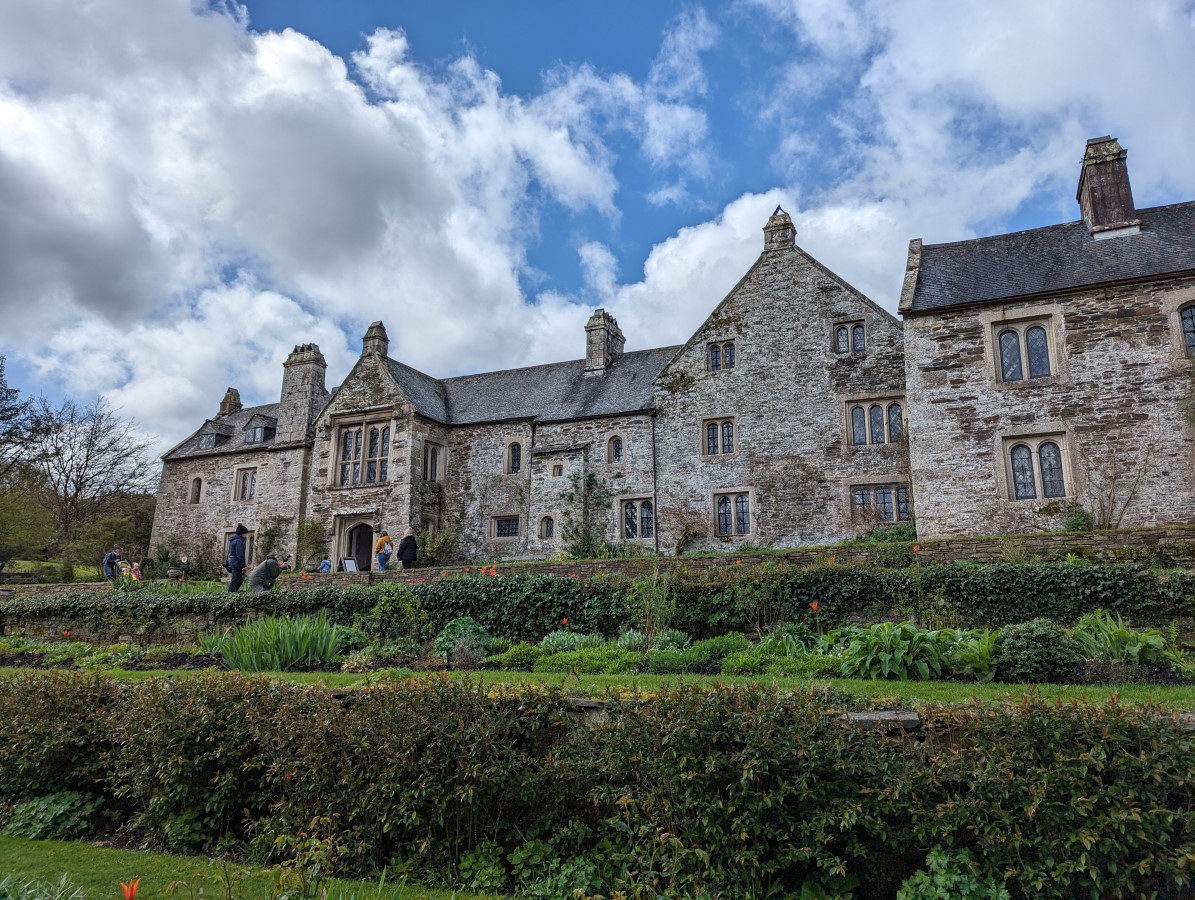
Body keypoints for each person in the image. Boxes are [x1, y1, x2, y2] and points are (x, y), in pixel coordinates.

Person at [227, 524, 249, 593]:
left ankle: (233, 593)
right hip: (237, 564)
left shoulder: (233, 540)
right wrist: (243, 566)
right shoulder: (239, 541)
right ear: (243, 533)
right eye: (245, 534)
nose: (246, 536)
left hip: (233, 563)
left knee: (238, 580)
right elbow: (240, 555)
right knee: (236, 580)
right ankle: (230, 594)